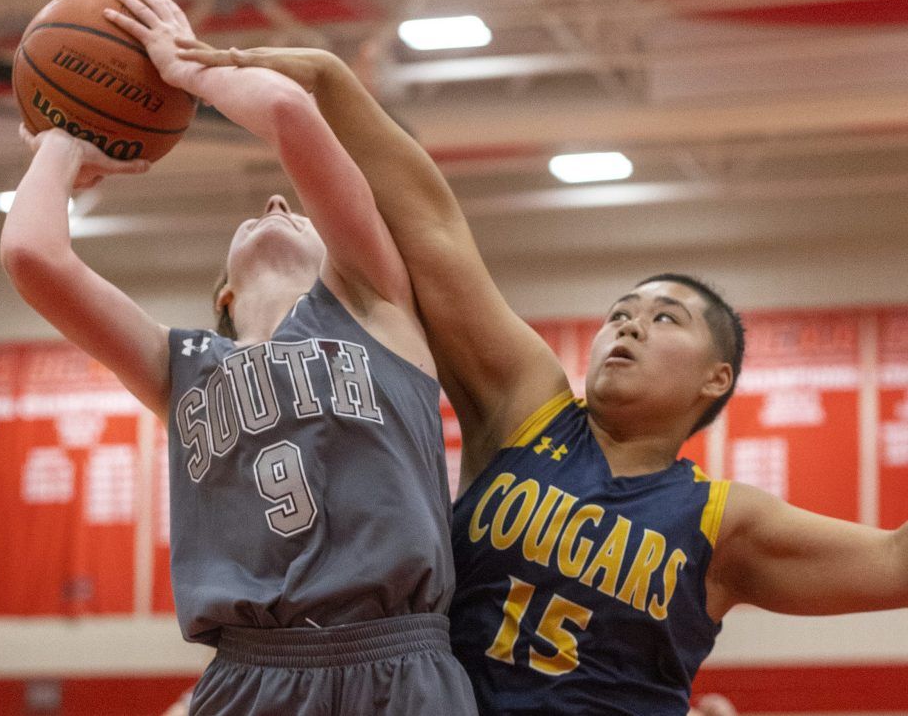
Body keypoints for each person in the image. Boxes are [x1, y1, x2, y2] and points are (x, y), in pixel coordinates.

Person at [172, 41, 908, 714]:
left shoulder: (725, 521)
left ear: (717, 379)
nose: (629, 324)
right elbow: (433, 228)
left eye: (665, 318)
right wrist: (332, 81)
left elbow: (893, 561)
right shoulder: (527, 405)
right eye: (622, 310)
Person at [0, 0, 478, 716]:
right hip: (247, 674)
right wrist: (60, 145)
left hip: (396, 661)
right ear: (223, 296)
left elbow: (290, 115)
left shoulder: (377, 306)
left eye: (296, 208)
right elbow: (32, 253)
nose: (278, 204)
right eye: (256, 211)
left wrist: (190, 68)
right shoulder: (180, 367)